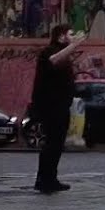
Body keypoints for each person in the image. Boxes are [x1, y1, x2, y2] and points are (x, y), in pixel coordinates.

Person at [31, 24, 86, 193]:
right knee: (52, 143)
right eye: (70, 34)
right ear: (61, 36)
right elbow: (54, 60)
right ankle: (44, 180)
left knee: (57, 143)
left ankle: (51, 178)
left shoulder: (64, 53)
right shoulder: (49, 51)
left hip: (61, 105)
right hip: (51, 105)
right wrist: (74, 45)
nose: (73, 36)